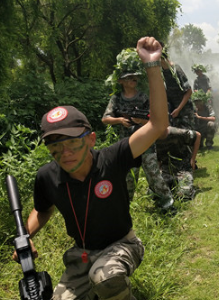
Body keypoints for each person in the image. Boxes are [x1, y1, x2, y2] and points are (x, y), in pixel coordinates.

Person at [12, 37, 169, 300]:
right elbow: (42, 210)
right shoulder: (46, 176)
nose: (65, 152)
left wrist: (152, 65)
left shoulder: (114, 157)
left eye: (73, 142)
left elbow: (158, 125)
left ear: (91, 139)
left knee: (105, 278)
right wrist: (24, 237)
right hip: (82, 255)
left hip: (123, 245)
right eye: (56, 146)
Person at [102, 49, 174, 210]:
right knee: (128, 176)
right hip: (127, 144)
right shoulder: (116, 99)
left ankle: (167, 203)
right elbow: (105, 119)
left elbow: (156, 117)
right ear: (121, 81)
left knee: (153, 174)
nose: (133, 79)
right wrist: (120, 120)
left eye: (135, 77)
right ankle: (123, 207)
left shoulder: (142, 97)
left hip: (146, 141)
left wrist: (143, 121)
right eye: (129, 78)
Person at [155, 126, 201, 201]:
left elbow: (197, 135)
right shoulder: (150, 138)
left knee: (183, 195)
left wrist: (193, 159)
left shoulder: (176, 133)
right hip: (166, 168)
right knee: (155, 195)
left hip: (183, 168)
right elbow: (157, 157)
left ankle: (187, 188)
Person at [159, 41, 194, 130]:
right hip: (171, 110)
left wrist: (178, 109)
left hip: (184, 110)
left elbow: (189, 91)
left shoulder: (176, 69)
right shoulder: (160, 72)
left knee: (187, 136)